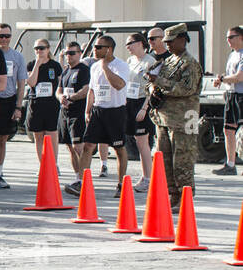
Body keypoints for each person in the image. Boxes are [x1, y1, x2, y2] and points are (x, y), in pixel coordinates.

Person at [148, 23, 203, 211]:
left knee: (183, 159)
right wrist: (153, 89)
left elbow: (186, 88)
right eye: (166, 42)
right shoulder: (168, 61)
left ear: (182, 40)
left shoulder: (190, 63)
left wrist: (160, 82)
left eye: (171, 42)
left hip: (184, 118)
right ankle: (173, 194)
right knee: (164, 159)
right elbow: (153, 82)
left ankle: (185, 196)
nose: (168, 45)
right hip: (164, 118)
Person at [76, 33, 131, 197]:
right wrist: (88, 110)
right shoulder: (93, 67)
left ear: (109, 49)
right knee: (88, 146)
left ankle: (121, 184)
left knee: (119, 148)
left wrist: (106, 66)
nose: (94, 49)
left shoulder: (120, 65)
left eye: (98, 47)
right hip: (98, 110)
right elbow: (92, 90)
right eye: (94, 46)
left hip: (115, 111)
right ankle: (81, 182)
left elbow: (119, 85)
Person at [0, 24, 27, 189]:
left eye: (7, 36)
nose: (3, 39)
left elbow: (21, 83)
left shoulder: (17, 57)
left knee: (2, 138)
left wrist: (18, 107)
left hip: (8, 100)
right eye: (0, 36)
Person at [124, 33, 158, 191]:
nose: (128, 47)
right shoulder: (130, 61)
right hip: (129, 101)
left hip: (142, 101)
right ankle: (146, 175)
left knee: (143, 141)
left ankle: (148, 177)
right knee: (136, 141)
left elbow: (153, 88)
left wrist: (144, 108)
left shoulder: (150, 61)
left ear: (140, 43)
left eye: (130, 43)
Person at [57, 42, 91, 195]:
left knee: (79, 147)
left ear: (79, 53)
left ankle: (85, 180)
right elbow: (58, 90)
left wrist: (72, 97)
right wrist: (61, 98)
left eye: (72, 53)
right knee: (70, 147)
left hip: (78, 112)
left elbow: (86, 89)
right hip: (65, 113)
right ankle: (78, 178)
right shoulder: (65, 72)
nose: (69, 56)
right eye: (67, 53)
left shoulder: (84, 69)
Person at [24, 39, 63, 165]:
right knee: (38, 136)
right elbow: (31, 83)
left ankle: (53, 164)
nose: (39, 51)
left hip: (51, 104)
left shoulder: (55, 65)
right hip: (36, 104)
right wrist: (37, 64)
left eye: (42, 48)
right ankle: (43, 165)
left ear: (48, 49)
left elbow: (60, 83)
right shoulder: (31, 64)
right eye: (36, 48)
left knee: (51, 135)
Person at [212, 25, 243, 175]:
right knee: (228, 129)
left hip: (241, 95)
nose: (228, 40)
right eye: (227, 38)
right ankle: (230, 164)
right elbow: (231, 74)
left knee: (241, 132)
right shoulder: (233, 54)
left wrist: (223, 79)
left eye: (231, 37)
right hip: (231, 94)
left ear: (241, 37)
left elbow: (239, 77)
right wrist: (221, 78)